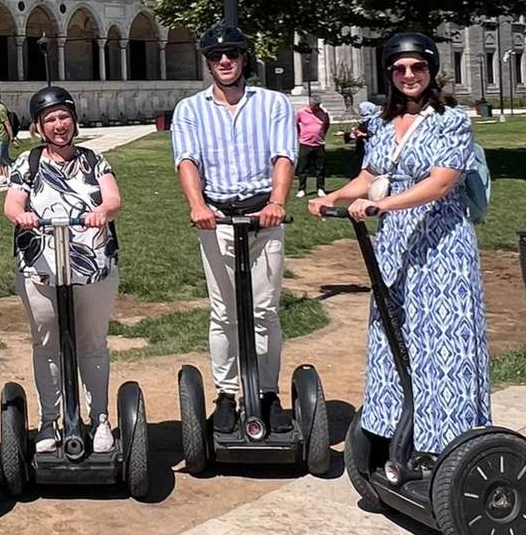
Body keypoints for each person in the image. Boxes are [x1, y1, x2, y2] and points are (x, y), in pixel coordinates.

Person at [310, 33, 488, 457]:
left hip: (441, 247)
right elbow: (368, 177)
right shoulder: (381, 124)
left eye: (418, 67)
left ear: (431, 70)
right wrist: (332, 197)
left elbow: (442, 182)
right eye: (400, 69)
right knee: (393, 336)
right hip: (394, 246)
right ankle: (395, 436)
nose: (409, 75)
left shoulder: (453, 120)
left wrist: (382, 205)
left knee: (442, 340)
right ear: (389, 74)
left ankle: (448, 446)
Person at [170, 23, 297, 435]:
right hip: (217, 217)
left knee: (264, 312)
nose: (224, 61)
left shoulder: (273, 104)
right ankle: (226, 394)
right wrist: (197, 206)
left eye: (232, 55)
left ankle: (267, 392)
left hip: (263, 215)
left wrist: (277, 202)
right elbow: (187, 161)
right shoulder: (190, 110)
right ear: (207, 64)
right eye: (215, 57)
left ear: (245, 59)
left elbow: (283, 155)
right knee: (223, 313)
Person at [3, 86, 122, 453]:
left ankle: (99, 417)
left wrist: (103, 211)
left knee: (92, 341)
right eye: (50, 119)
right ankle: (50, 421)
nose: (59, 125)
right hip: (41, 265)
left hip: (92, 263)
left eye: (64, 117)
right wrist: (22, 216)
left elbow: (113, 197)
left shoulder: (94, 160)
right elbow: (12, 202)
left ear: (74, 119)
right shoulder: (29, 163)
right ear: (39, 127)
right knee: (46, 345)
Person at [294, 94, 330, 198]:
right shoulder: (301, 112)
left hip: (319, 144)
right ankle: (302, 189)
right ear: (310, 104)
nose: (317, 107)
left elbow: (326, 125)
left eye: (318, 105)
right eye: (315, 105)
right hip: (305, 143)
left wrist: (322, 134)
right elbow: (296, 124)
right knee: (302, 168)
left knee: (320, 168)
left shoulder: (324, 113)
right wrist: (300, 135)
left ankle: (320, 188)